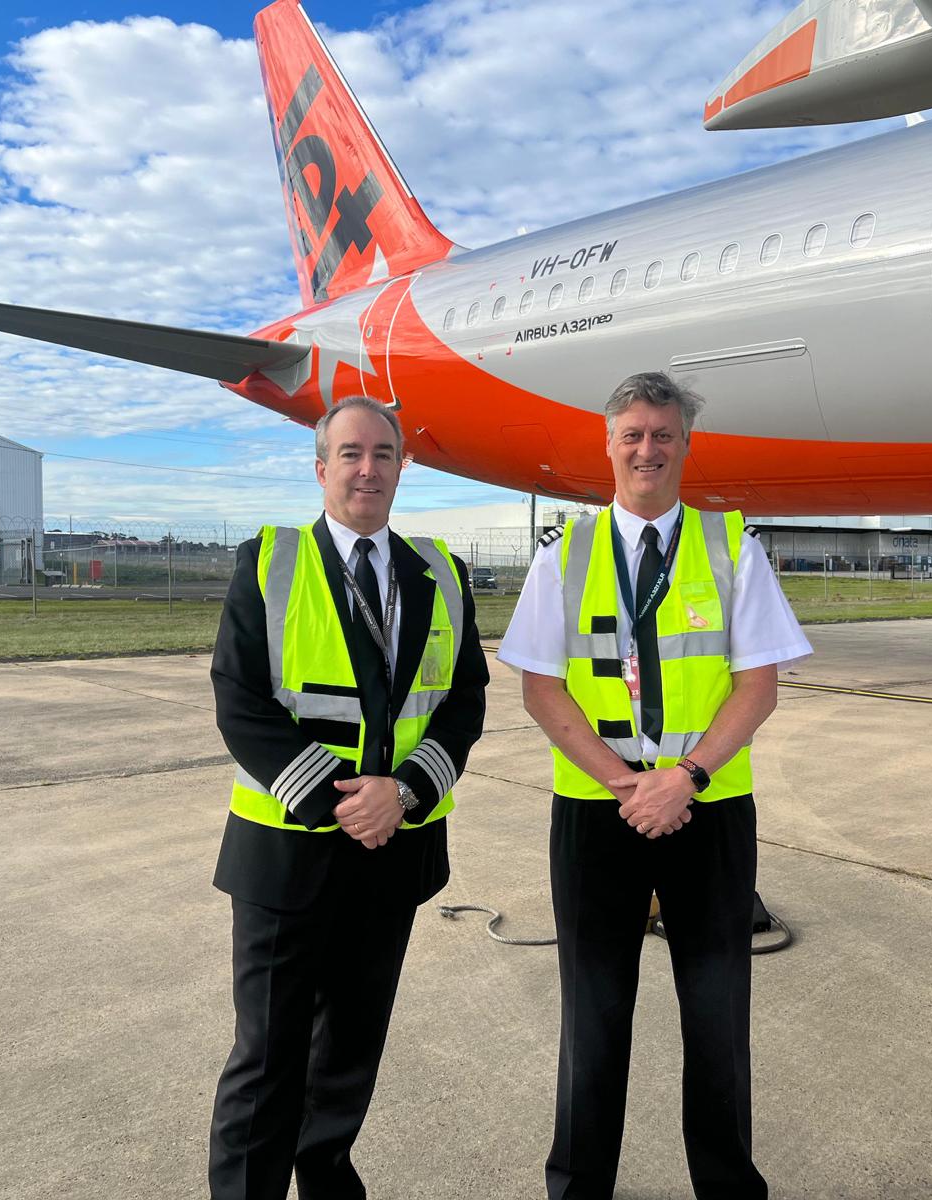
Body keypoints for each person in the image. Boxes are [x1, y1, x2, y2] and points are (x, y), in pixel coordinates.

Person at [498, 371, 811, 1199]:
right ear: (608, 445)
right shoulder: (562, 555)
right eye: (632, 434)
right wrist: (626, 785)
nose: (648, 449)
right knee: (592, 1016)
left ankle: (728, 1187)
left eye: (663, 434)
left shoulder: (732, 547)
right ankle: (579, 1189)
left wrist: (686, 777)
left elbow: (758, 685)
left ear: (685, 445)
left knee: (717, 1017)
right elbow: (541, 688)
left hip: (708, 811)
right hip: (597, 814)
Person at [207, 395, 488, 1200]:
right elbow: (240, 701)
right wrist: (341, 804)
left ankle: (328, 1180)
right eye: (352, 454)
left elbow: (464, 699)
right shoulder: (270, 560)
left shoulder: (440, 573)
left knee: (350, 1053)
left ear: (402, 467)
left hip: (392, 852)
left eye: (383, 454)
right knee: (267, 1059)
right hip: (286, 857)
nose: (369, 469)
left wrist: (404, 791)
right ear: (321, 468)